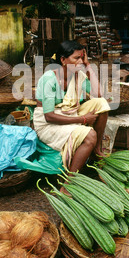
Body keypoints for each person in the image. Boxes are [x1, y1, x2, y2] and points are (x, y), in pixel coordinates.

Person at [33, 40, 110, 172]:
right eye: (76, 58)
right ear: (63, 60)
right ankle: (70, 180)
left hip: (69, 113)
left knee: (102, 103)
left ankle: (96, 151)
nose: (80, 61)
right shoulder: (49, 79)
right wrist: (83, 119)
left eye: (82, 57)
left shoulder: (78, 75)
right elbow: (49, 117)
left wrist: (88, 65)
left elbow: (98, 94)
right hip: (49, 124)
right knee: (90, 135)